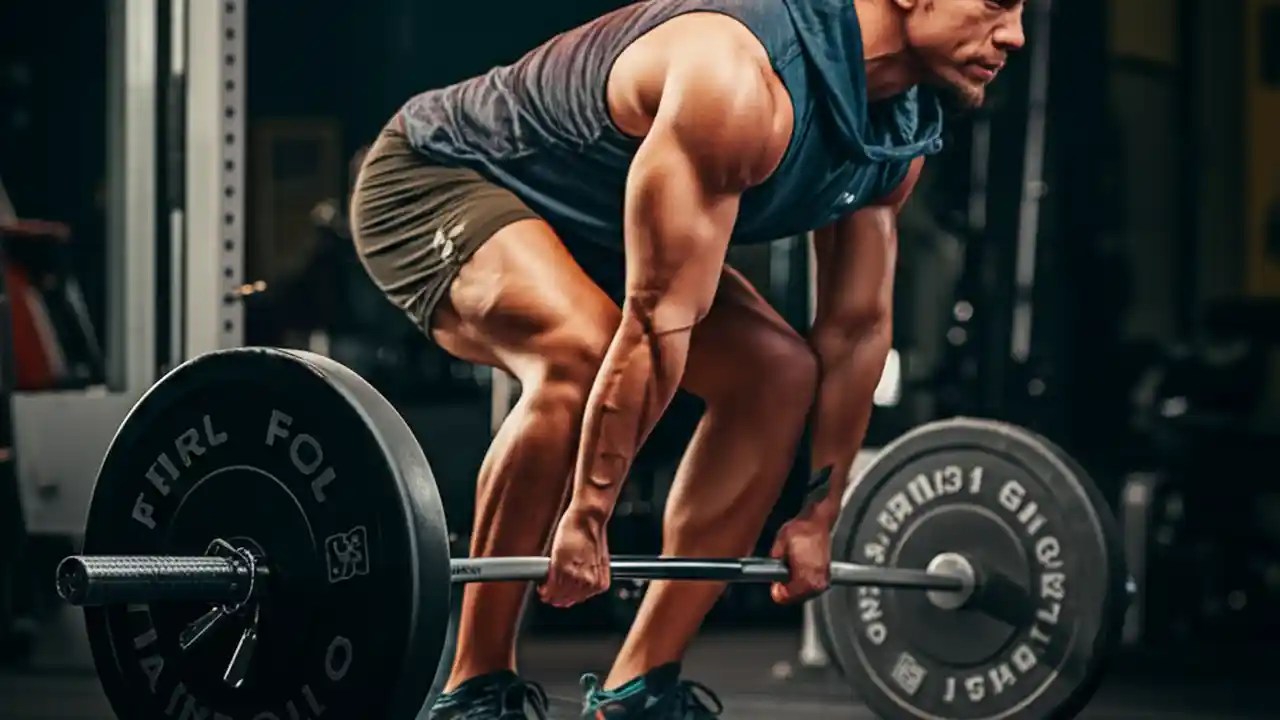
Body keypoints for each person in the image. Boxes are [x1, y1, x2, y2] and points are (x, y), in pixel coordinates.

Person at [349, 0, 1025, 717]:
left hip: (599, 229)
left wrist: (818, 516)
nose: (1013, 34)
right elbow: (655, 322)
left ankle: (638, 689)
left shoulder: (894, 136)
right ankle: (476, 686)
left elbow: (855, 329)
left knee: (778, 373)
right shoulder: (736, 79)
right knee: (580, 349)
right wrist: (588, 512)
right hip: (445, 178)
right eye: (995, 4)